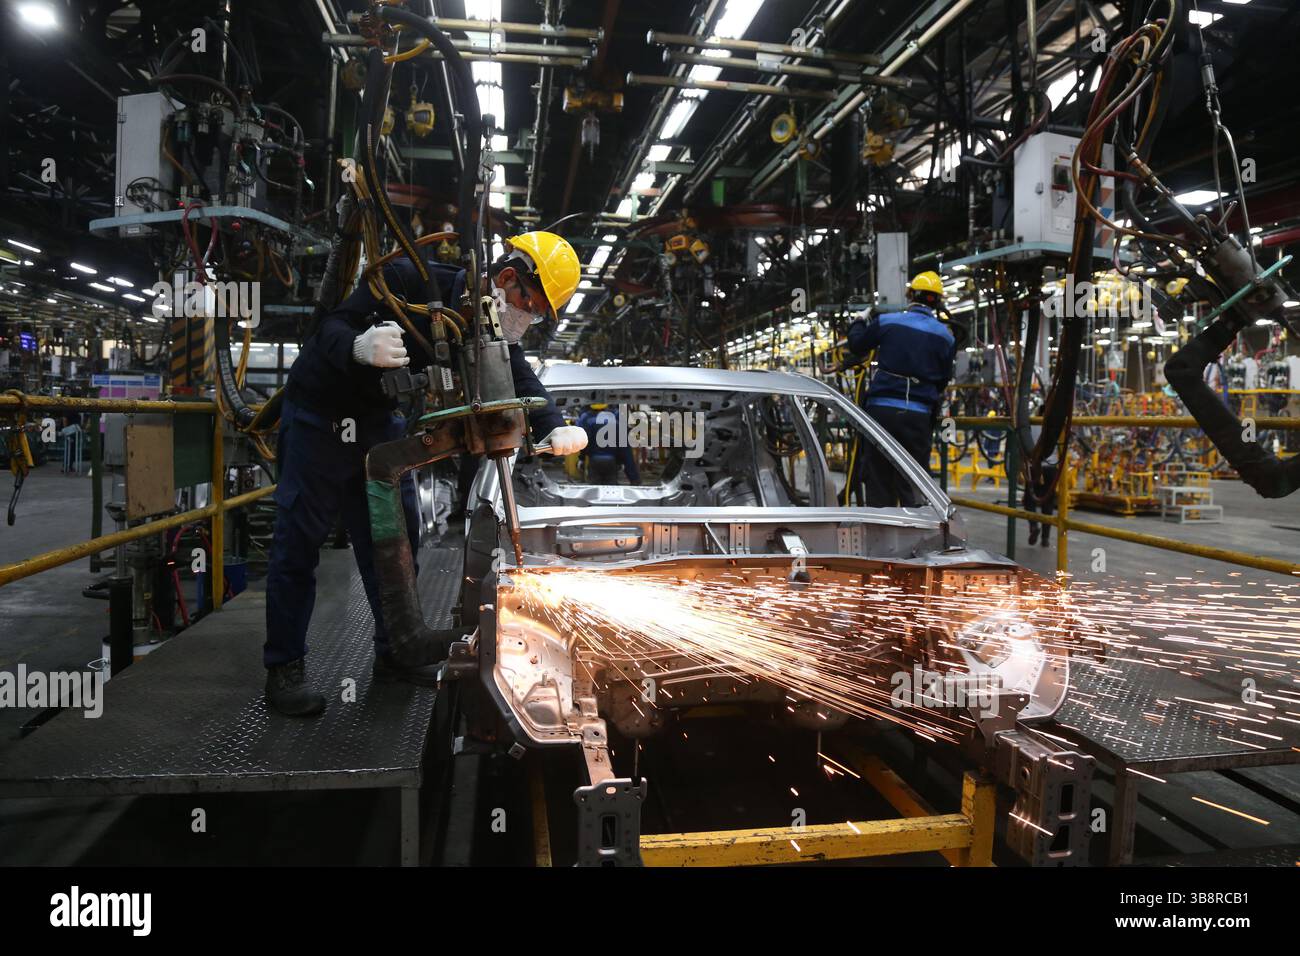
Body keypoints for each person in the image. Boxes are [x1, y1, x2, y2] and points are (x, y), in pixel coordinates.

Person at [263, 232, 589, 716]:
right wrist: (356, 345)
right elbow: (328, 327)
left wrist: (552, 423)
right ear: (506, 279)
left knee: (396, 546)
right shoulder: (407, 278)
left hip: (378, 427)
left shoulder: (485, 322)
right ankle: (285, 668)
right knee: (298, 543)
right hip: (319, 418)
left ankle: (396, 652)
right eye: (533, 306)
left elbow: (518, 373)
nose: (531, 318)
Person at [845, 271, 956, 507]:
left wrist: (857, 321)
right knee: (913, 480)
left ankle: (880, 535)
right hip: (918, 417)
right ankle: (915, 536)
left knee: (878, 477)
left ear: (910, 295)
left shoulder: (887, 322)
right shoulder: (946, 337)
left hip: (881, 413)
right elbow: (944, 379)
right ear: (937, 301)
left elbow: (857, 345)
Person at [576, 403, 640, 485]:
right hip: (611, 461)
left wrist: (582, 458)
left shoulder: (588, 420)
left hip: (594, 460)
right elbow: (624, 449)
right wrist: (633, 477)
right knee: (611, 489)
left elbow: (584, 443)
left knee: (594, 490)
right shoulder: (616, 422)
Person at [1024, 424, 1060, 547]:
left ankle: (1034, 525)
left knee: (1029, 500)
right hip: (1051, 466)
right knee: (1048, 503)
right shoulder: (1055, 424)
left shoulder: (1031, 423)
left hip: (1035, 466)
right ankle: (1045, 538)